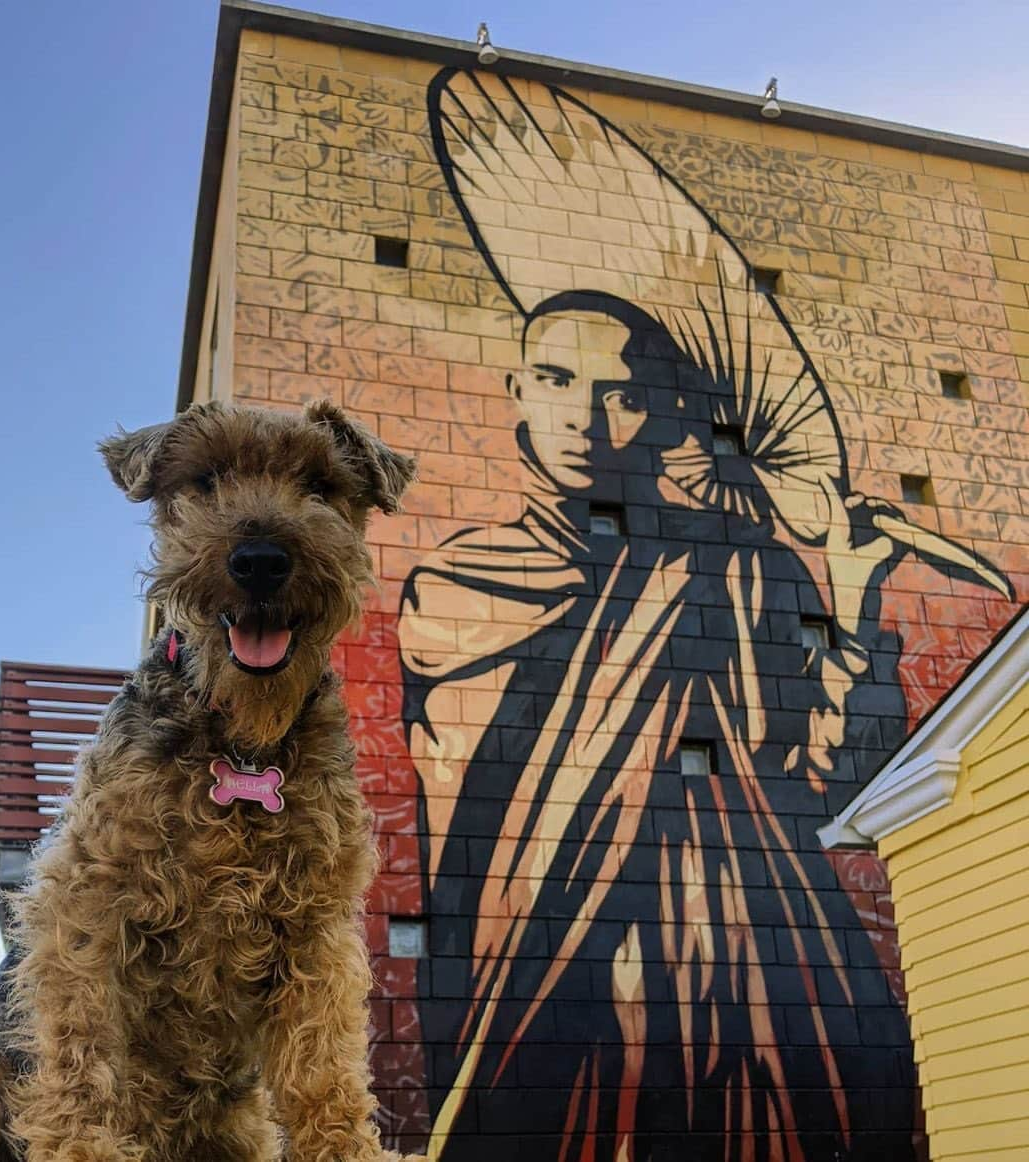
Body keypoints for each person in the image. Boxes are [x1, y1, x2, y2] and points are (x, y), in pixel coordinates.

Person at [399, 69, 1012, 1162]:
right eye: (554, 380)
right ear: (515, 396)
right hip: (548, 998)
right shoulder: (459, 583)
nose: (587, 416)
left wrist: (852, 586)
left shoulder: (740, 567)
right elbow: (466, 812)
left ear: (661, 411)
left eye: (621, 390)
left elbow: (827, 771)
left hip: (756, 985)